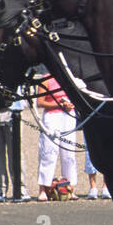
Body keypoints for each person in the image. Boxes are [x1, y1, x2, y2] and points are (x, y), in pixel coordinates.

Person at [34, 70, 77, 201]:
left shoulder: (70, 77)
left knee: (69, 154)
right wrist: (59, 104)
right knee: (49, 153)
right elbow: (39, 102)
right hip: (52, 117)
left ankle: (70, 187)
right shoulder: (45, 79)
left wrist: (71, 105)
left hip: (68, 116)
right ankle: (42, 189)